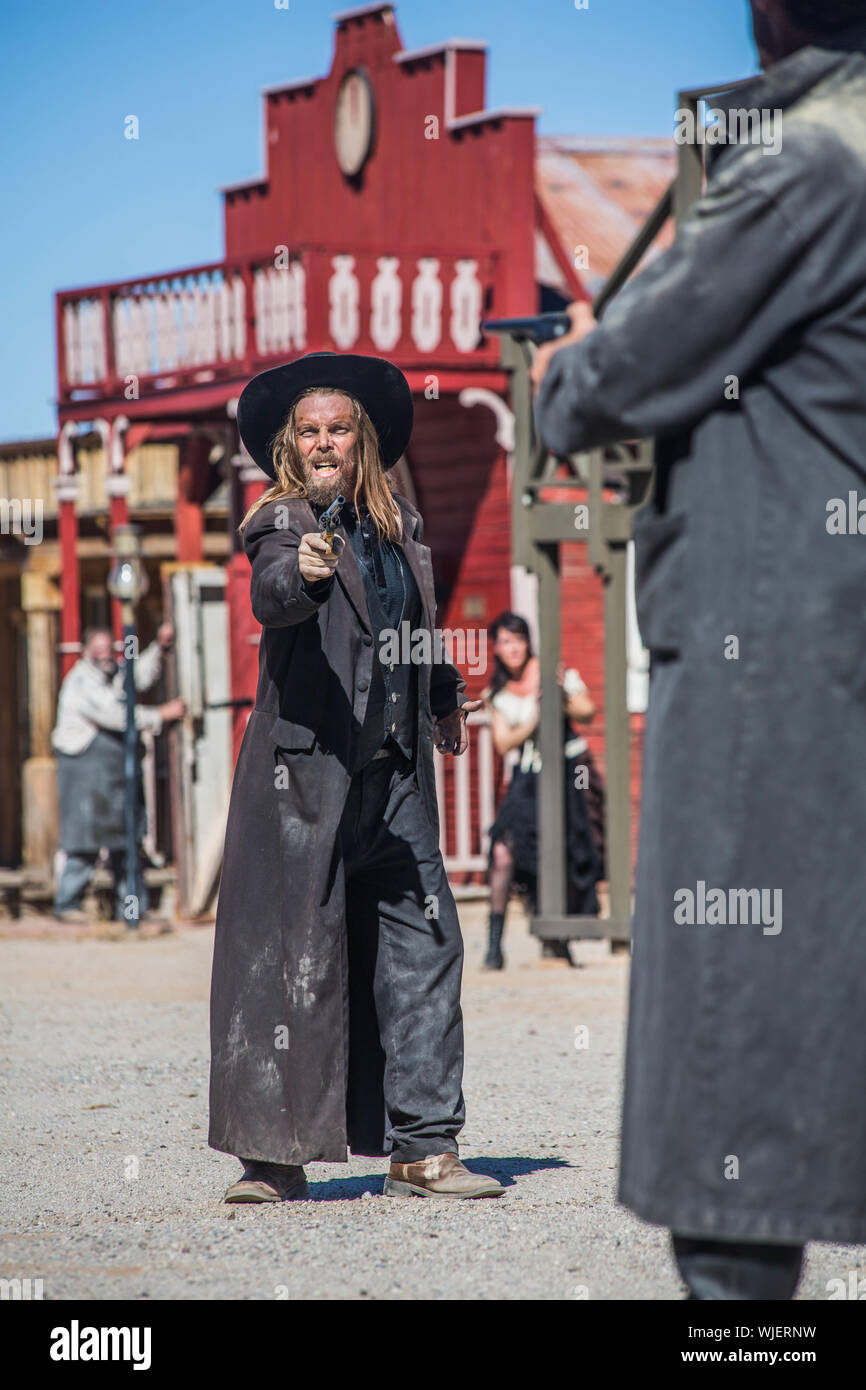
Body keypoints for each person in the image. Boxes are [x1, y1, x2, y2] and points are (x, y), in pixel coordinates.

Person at [533, 0, 866, 1300]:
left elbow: (607, 375)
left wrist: (562, 362)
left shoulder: (803, 164)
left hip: (768, 639)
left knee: (732, 1034)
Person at [208, 351, 505, 1203]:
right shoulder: (279, 521)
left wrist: (443, 695)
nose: (324, 442)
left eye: (338, 428)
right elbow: (273, 591)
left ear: (362, 438)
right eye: (309, 431)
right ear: (290, 447)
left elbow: (414, 627)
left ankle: (425, 1148)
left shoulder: (402, 528)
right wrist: (298, 575)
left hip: (395, 779)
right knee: (292, 960)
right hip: (305, 785)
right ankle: (271, 1161)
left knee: (425, 950)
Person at [482, 612, 605, 969]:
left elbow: (587, 711)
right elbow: (504, 743)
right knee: (504, 850)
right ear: (496, 649)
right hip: (528, 776)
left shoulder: (551, 670)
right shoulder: (498, 692)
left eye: (517, 639)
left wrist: (559, 693)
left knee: (566, 849)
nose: (512, 647)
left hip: (568, 771)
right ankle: (494, 944)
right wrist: (535, 719)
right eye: (504, 641)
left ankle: (558, 939)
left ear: (527, 641)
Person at [51, 624, 184, 923]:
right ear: (86, 651)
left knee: (126, 841)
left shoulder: (113, 673)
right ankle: (67, 904)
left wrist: (158, 648)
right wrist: (160, 715)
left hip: (112, 773)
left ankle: (132, 909)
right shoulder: (81, 682)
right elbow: (116, 715)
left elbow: (137, 676)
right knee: (83, 842)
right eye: (97, 649)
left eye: (107, 648)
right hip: (84, 772)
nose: (104, 654)